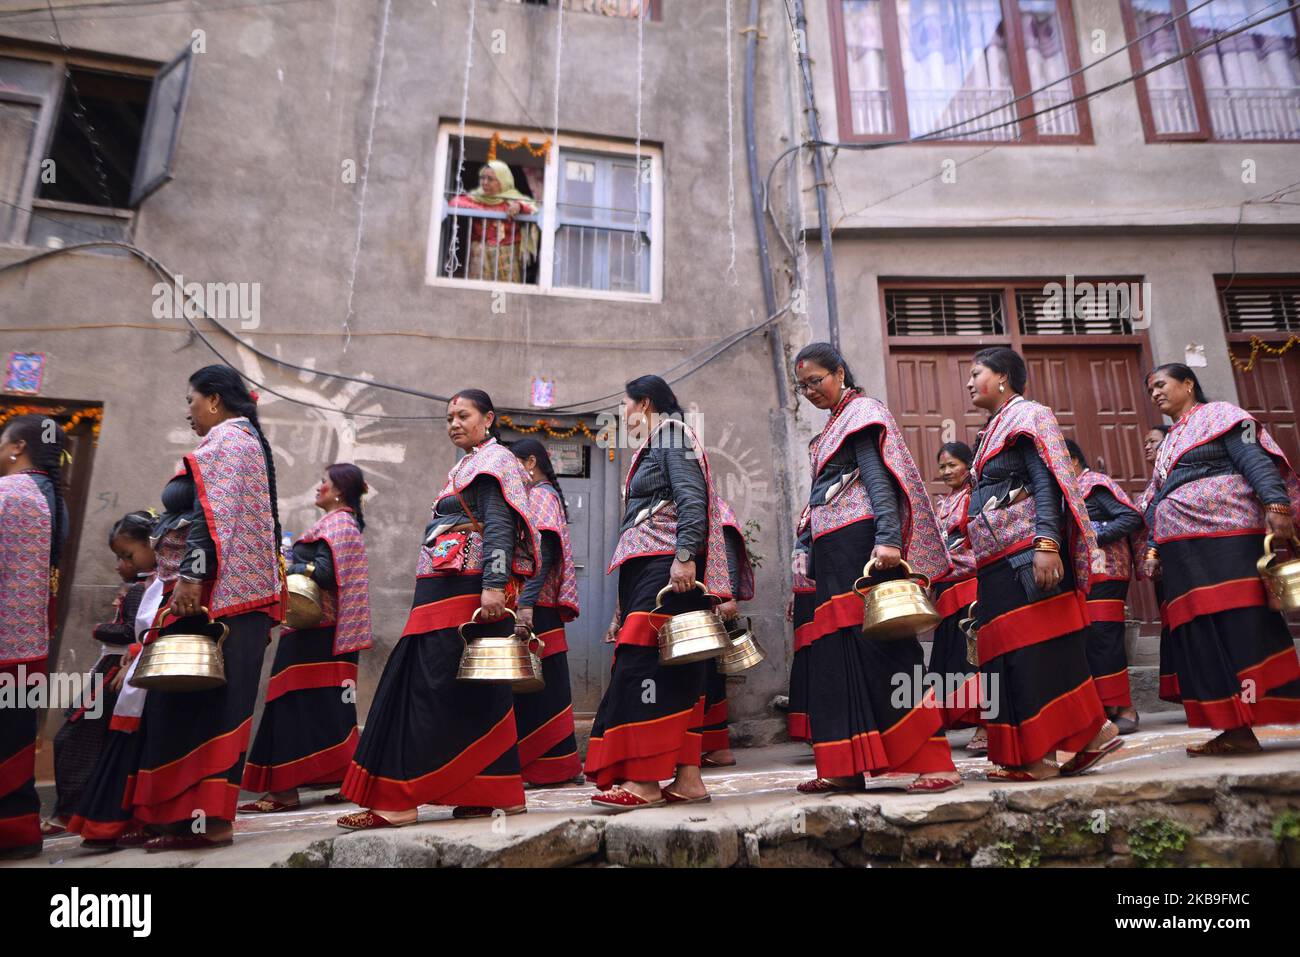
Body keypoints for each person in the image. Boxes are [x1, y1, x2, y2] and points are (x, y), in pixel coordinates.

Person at [337, 390, 539, 828]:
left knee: (424, 686)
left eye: (463, 415)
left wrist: (493, 587)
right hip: (442, 585)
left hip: (464, 591)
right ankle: (490, 791)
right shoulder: (464, 466)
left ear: (488, 418)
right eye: (448, 417)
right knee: (470, 689)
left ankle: (400, 799)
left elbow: (500, 526)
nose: (453, 423)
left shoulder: (494, 461)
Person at [126, 366, 285, 851]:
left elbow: (211, 517)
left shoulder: (230, 443)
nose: (187, 409)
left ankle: (207, 823)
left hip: (221, 601)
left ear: (214, 401)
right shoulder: (233, 442)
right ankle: (173, 817)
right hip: (209, 598)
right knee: (180, 702)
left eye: (191, 399)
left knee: (209, 709)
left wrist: (192, 576)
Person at [791, 343, 959, 795]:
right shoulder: (830, 428)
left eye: (816, 380)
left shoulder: (861, 413)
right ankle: (846, 765)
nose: (810, 391)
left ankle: (934, 762)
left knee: (885, 649)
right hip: (832, 554)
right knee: (837, 657)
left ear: (840, 372)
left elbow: (879, 478)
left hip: (862, 545)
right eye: (803, 386)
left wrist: (887, 538)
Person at [965, 347, 1120, 781]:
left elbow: (1048, 481)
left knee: (1032, 651)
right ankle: (1093, 733)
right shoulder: (993, 431)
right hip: (999, 561)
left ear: (1003, 378)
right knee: (1016, 651)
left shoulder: (1029, 417)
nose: (969, 382)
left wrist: (1047, 543)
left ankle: (1041, 757)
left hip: (1025, 557)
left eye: (977, 373)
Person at [585, 375, 735, 810]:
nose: (623, 414)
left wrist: (685, 556)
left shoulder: (672, 436)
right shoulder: (655, 445)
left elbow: (692, 499)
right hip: (650, 570)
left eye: (625, 405)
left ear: (645, 403)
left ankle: (645, 782)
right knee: (678, 670)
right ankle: (688, 780)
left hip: (667, 568)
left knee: (643, 665)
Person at [1141, 363, 1300, 754]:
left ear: (1189, 384)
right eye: (1150, 390)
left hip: (1226, 538)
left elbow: (1254, 459)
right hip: (1181, 548)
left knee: (1241, 622)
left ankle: (1255, 712)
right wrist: (1154, 547)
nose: (1155, 394)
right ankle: (1234, 728)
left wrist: (1276, 502)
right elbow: (1159, 496)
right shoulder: (1171, 441)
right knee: (1199, 630)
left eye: (1161, 384)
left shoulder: (1225, 416)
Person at [241, 464, 373, 812]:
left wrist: (290, 565)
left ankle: (285, 791)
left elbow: (327, 575)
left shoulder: (339, 526)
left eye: (324, 483)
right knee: (326, 708)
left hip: (319, 633)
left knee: (293, 704)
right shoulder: (336, 524)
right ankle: (347, 779)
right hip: (320, 633)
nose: (319, 488)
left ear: (340, 490)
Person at [48, 510, 155, 833]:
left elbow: (130, 633)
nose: (121, 564)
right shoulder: (143, 586)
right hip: (113, 668)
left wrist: (99, 629)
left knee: (74, 737)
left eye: (127, 555)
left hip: (115, 671)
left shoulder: (142, 589)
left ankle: (70, 811)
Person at [0, 415, 68, 860]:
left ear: (16, 447)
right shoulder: (53, 503)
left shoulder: (8, 493)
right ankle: (17, 831)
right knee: (14, 737)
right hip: (29, 645)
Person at [510, 439, 583, 787]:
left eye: (514, 465)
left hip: (536, 606)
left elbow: (546, 550)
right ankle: (557, 767)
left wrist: (525, 602)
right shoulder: (536, 495)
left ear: (530, 462)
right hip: (534, 603)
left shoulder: (541, 496)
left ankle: (550, 769)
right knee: (540, 682)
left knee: (540, 685)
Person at [1065, 440, 1144, 734]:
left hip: (1105, 572)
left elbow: (1131, 516)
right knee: (1088, 640)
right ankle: (1102, 709)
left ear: (1072, 460)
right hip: (1082, 576)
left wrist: (1095, 537)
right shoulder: (1069, 492)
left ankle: (1125, 708)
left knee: (1104, 638)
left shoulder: (1095, 484)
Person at [926, 441, 986, 753]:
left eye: (952, 465)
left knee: (973, 660)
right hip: (947, 589)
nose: (947, 471)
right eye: (943, 466)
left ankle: (986, 725)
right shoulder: (944, 502)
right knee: (951, 661)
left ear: (968, 464)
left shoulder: (977, 496)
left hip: (970, 586)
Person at [698, 496, 756, 768]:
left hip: (711, 604)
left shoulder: (716, 508)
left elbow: (727, 550)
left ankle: (716, 748)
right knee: (706, 675)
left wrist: (727, 597)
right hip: (700, 603)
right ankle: (711, 747)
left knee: (708, 675)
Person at [447, 160, 539, 283]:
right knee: (478, 291)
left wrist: (519, 207)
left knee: (506, 292)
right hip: (481, 252)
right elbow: (454, 203)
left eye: (490, 179)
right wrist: (484, 209)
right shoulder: (477, 197)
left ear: (503, 181)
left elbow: (533, 209)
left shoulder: (514, 199)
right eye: (483, 178)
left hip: (507, 252)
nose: (484, 182)